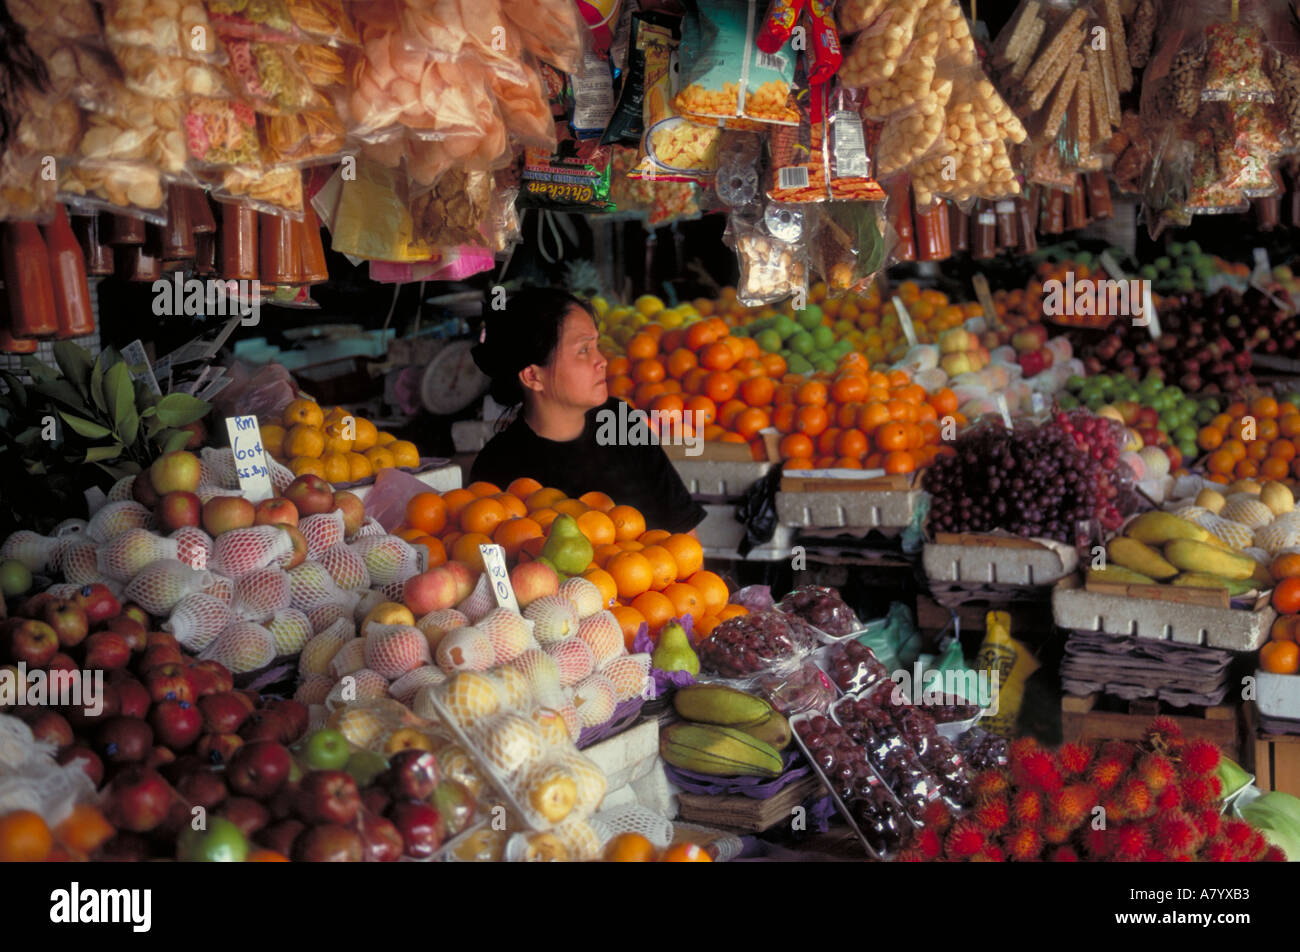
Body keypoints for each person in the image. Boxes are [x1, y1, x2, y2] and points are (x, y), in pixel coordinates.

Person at [470, 287, 705, 535]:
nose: (602, 361)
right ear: (533, 376)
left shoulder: (618, 422)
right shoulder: (497, 467)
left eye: (597, 345)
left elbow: (683, 530)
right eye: (584, 350)